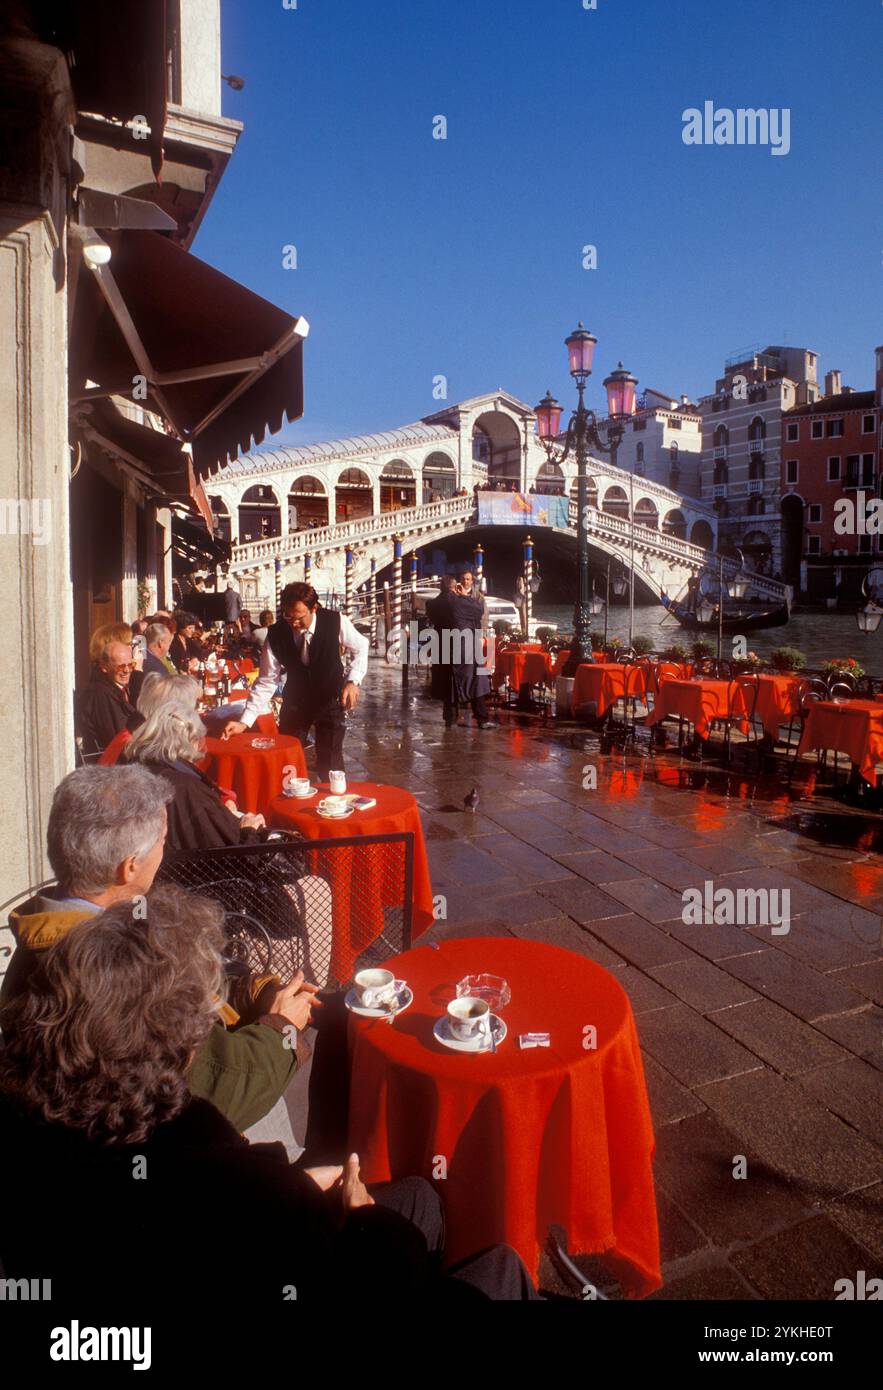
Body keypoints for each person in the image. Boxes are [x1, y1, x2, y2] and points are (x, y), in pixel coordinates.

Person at [0, 888, 540, 1308]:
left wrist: (294, 1187)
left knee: (420, 1195)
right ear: (186, 1045)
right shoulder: (220, 1176)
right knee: (500, 1265)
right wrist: (359, 1217)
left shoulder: (40, 1122)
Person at [0, 769, 316, 1135]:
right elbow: (215, 1090)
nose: (164, 851)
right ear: (129, 867)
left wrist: (246, 993)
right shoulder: (115, 972)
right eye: (162, 840)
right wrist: (283, 1029)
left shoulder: (43, 929)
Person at [222, 582, 369, 781]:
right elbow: (266, 681)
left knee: (331, 762)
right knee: (287, 757)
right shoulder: (276, 633)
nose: (294, 623)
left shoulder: (336, 621)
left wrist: (353, 681)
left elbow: (362, 646)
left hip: (330, 698)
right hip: (296, 702)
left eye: (300, 618)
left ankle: (333, 803)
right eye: (288, 617)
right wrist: (244, 722)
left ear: (314, 608)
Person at [123, 678, 266, 851]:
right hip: (211, 870)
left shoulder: (139, 764)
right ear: (188, 739)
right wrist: (249, 829)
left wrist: (217, 809)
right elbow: (237, 857)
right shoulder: (186, 787)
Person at [77, 634, 139, 755]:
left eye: (130, 665)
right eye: (121, 667)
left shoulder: (119, 687)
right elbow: (119, 738)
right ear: (104, 667)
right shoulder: (100, 695)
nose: (126, 671)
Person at [425, 575, 456, 723]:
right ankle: (452, 710)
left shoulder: (431, 604)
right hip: (455, 641)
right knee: (454, 677)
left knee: (442, 677)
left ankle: (447, 710)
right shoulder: (457, 601)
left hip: (439, 640)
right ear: (452, 586)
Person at [129, 620, 175, 703]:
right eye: (169, 642)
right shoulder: (157, 668)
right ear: (160, 643)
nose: (169, 647)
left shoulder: (138, 656)